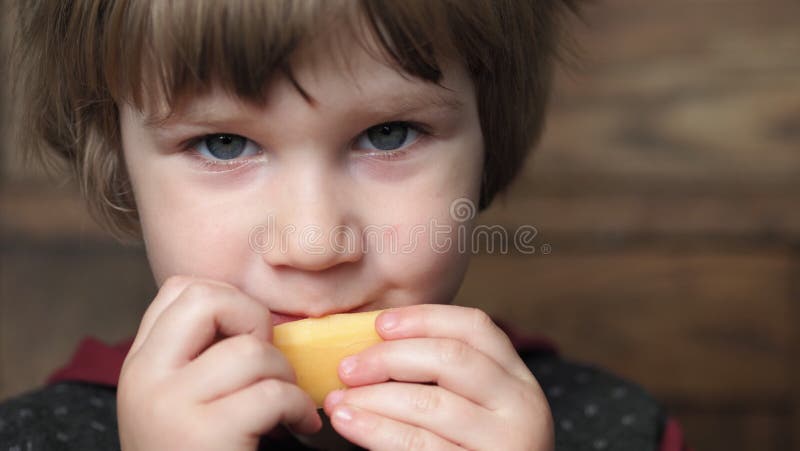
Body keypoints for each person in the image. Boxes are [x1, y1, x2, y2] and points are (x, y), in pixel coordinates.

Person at [1, 1, 690, 450]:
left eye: (389, 133)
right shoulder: (41, 438)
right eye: (224, 144)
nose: (313, 244)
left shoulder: (616, 427)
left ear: (489, 138)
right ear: (119, 163)